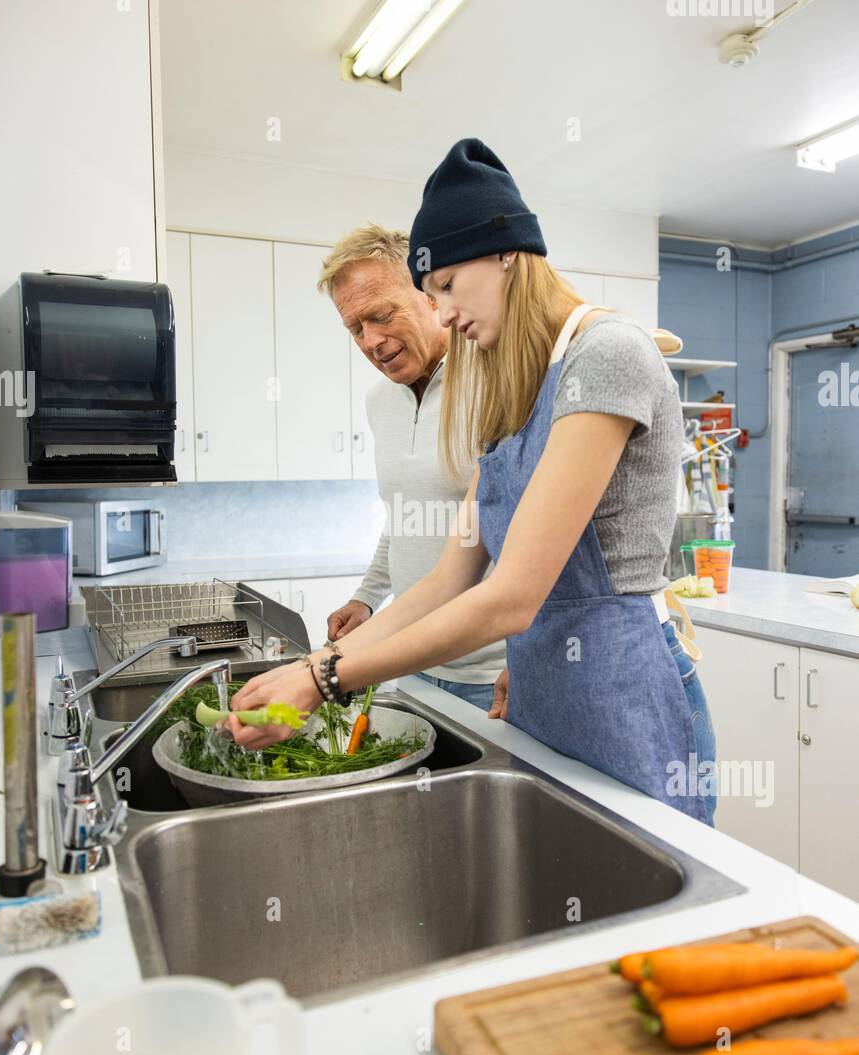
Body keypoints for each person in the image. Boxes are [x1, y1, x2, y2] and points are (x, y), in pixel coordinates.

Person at [229, 138, 717, 825]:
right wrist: (323, 659)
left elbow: (510, 596)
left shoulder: (606, 355)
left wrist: (325, 679)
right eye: (432, 295)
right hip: (541, 681)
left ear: (506, 253)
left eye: (448, 287)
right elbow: (445, 580)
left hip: (624, 682)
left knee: (661, 908)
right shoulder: (511, 392)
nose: (446, 314)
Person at [317, 225, 506, 714]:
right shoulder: (380, 401)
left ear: (430, 295)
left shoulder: (498, 381)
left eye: (381, 316)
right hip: (412, 662)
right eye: (355, 328)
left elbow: (536, 535)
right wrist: (366, 598)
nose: (371, 341)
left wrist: (530, 659)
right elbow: (404, 514)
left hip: (493, 673)